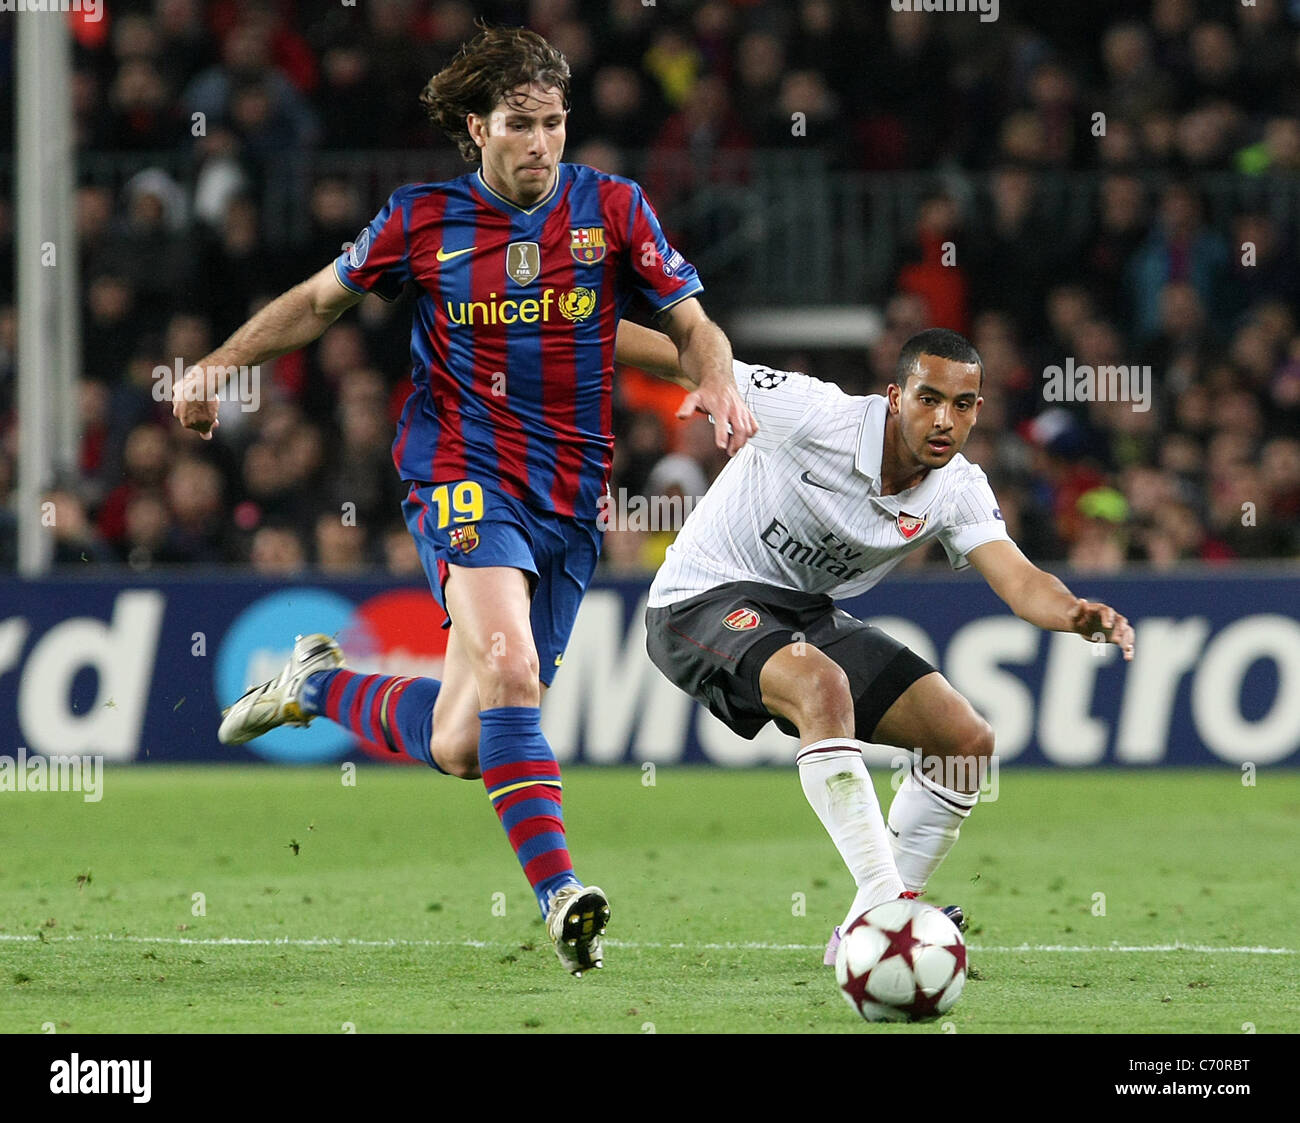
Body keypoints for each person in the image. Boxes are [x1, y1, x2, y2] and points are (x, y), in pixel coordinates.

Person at [172, 25, 756, 978]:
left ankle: (316, 683)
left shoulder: (613, 207)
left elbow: (687, 325)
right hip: (461, 468)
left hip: (569, 497)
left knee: (462, 743)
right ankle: (563, 893)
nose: (542, 143)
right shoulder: (421, 219)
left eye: (556, 123)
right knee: (510, 663)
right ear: (478, 128)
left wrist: (724, 381)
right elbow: (321, 302)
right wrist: (219, 364)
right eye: (522, 125)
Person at [619, 322, 1135, 962]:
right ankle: (888, 909)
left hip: (801, 614)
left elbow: (1021, 580)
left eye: (964, 405)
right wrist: (568, 320)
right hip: (699, 599)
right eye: (929, 399)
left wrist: (1074, 613)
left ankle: (870, 925)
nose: (945, 419)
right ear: (895, 396)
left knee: (963, 741)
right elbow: (683, 354)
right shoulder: (812, 412)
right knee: (820, 684)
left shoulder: (957, 488)